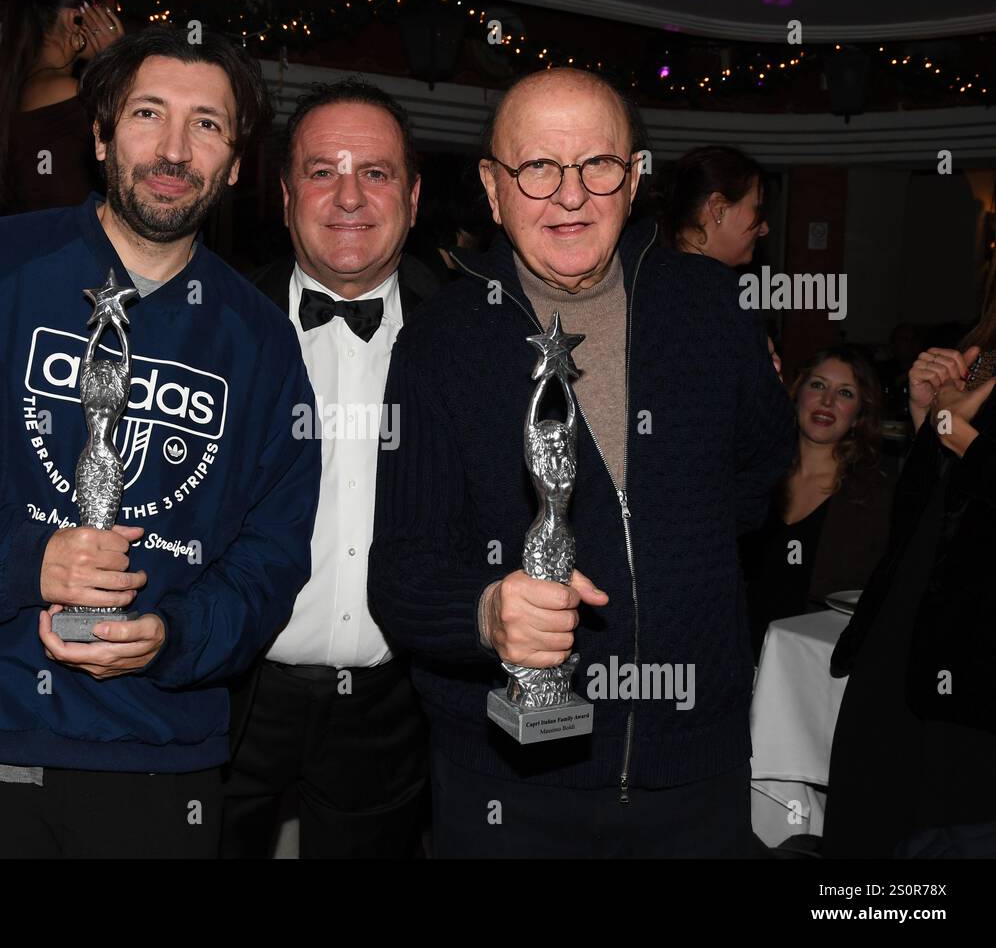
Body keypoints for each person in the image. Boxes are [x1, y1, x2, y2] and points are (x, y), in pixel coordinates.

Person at [0, 26, 319, 858]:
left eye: (207, 125)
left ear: (235, 166)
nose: (172, 148)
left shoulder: (264, 345)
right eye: (146, 113)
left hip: (163, 757)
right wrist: (22, 560)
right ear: (97, 135)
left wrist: (178, 638)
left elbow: (271, 557)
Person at [367, 68, 795, 858]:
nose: (570, 196)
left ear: (634, 179)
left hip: (692, 772)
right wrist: (485, 611)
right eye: (537, 169)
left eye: (597, 165)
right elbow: (400, 572)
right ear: (494, 190)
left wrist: (668, 559)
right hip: (506, 784)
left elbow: (758, 480)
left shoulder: (716, 308)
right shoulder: (436, 346)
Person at [222, 79, 436, 859]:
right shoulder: (218, 325)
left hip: (392, 707)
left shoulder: (468, 334)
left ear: (412, 196)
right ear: (285, 197)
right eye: (322, 171)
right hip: (231, 690)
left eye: (375, 173)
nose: (349, 196)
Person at [824, 299, 996, 858]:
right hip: (911, 626)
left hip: (975, 655)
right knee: (878, 822)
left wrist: (963, 436)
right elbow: (932, 508)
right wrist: (928, 419)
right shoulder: (980, 348)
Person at [742, 347, 893, 662]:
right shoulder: (753, 473)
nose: (827, 401)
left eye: (845, 393)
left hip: (810, 662)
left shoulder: (873, 495)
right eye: (818, 385)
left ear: (859, 416)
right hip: (732, 649)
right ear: (797, 394)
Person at [0, 0, 123, 214]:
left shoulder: (15, 88)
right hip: (72, 241)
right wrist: (119, 57)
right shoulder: (68, 91)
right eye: (109, 16)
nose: (115, 25)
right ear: (74, 20)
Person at [662, 144, 781, 376]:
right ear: (718, 209)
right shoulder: (719, 302)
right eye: (757, 211)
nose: (764, 228)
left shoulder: (651, 279)